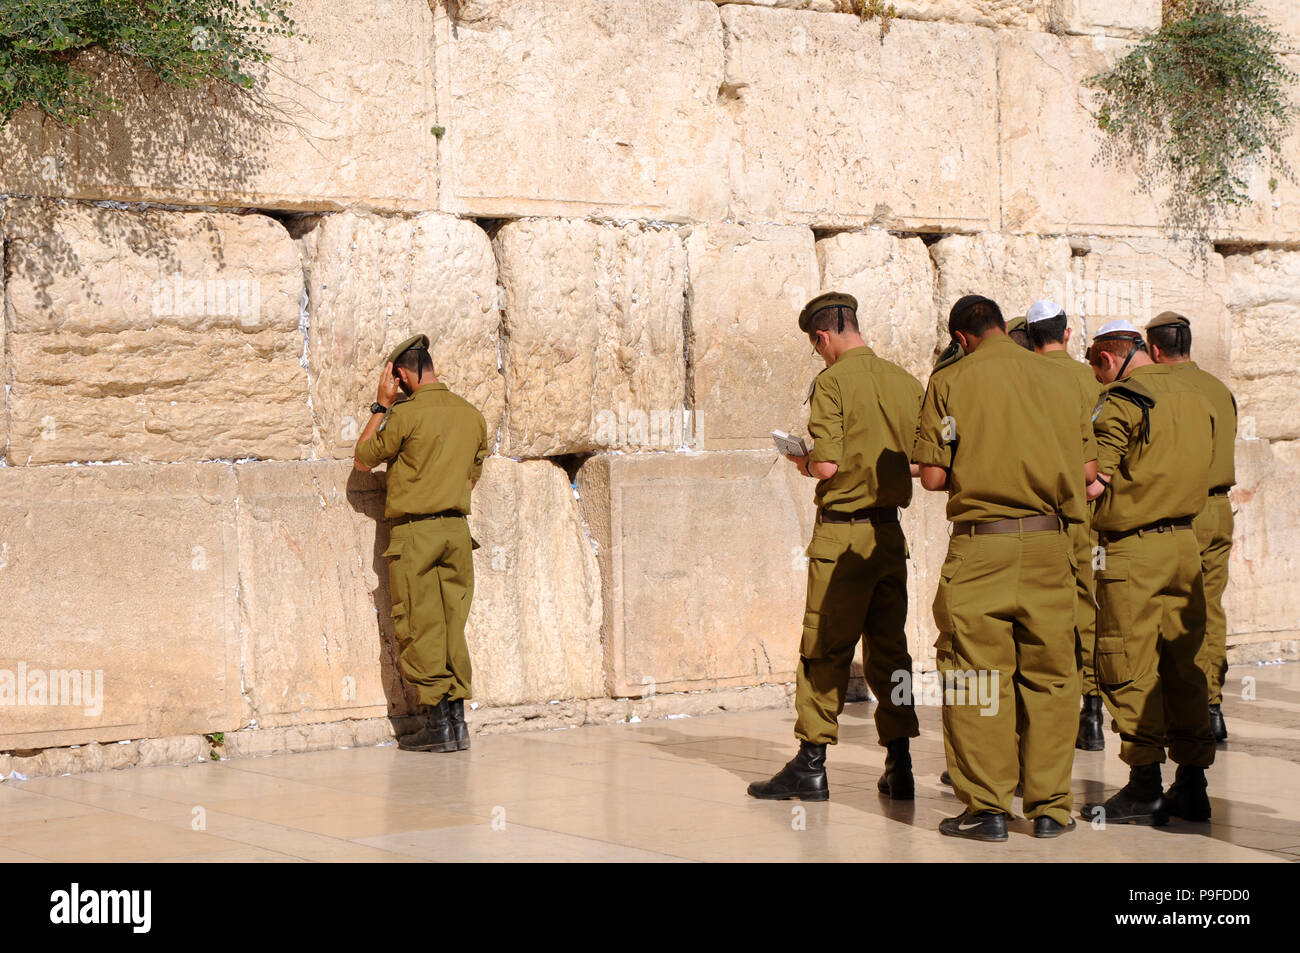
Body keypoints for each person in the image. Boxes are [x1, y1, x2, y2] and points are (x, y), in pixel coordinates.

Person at [913, 295, 1096, 841]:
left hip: (981, 548)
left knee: (975, 679)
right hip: (1050, 545)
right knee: (1052, 679)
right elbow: (1088, 470)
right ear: (1001, 326)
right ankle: (1051, 809)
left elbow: (932, 479)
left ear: (963, 338)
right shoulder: (1066, 380)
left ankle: (988, 808)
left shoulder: (950, 380)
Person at [748, 292, 923, 803]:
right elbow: (925, 464)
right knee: (891, 653)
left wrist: (800, 463)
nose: (818, 355)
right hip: (889, 536)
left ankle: (811, 764)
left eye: (815, 346)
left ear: (822, 337)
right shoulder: (905, 382)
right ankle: (901, 762)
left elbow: (825, 466)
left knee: (824, 648)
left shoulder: (832, 382)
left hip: (843, 535)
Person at [1081, 320, 1217, 825]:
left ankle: (1143, 784)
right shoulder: (1193, 393)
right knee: (1185, 663)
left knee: (1128, 662)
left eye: (1097, 366)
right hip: (1186, 542)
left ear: (1109, 358)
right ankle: (1193, 783)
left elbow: (1095, 483)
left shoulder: (1123, 399)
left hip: (1133, 550)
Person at [354, 334, 489, 754]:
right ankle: (457, 725)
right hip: (456, 532)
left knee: (418, 623)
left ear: (401, 374)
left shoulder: (406, 414)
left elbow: (363, 457)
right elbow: (473, 473)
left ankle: (435, 726)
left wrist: (381, 406)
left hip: (416, 533)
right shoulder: (470, 414)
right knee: (452, 626)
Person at [1146, 312, 1237, 743]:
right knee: (1211, 607)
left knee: (1175, 612)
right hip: (1220, 509)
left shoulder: (1169, 392)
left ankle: (1184, 708)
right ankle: (1213, 705)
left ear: (1156, 349)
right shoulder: (1219, 388)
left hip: (1185, 510)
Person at [1025, 300, 1106, 751]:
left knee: (1053, 614)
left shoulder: (1029, 379)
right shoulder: (1090, 379)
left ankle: (1055, 712)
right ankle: (1092, 712)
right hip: (1088, 507)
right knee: (1089, 607)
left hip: (1045, 515)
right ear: (1069, 334)